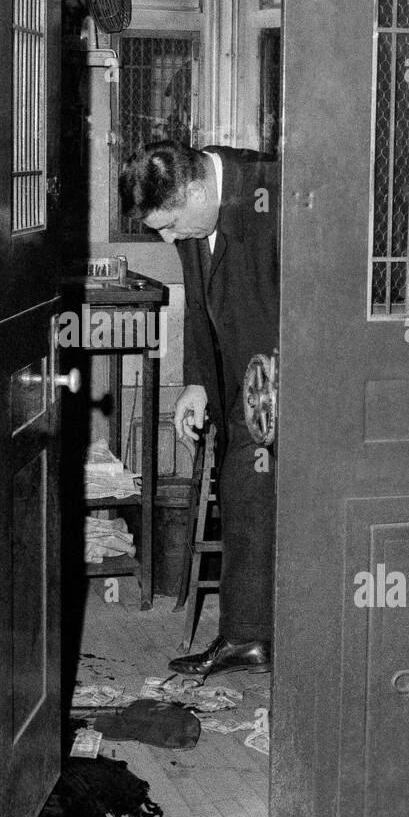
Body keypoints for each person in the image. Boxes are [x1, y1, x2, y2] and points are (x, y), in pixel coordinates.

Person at [118, 140, 279, 677]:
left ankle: (276, 639)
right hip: (241, 387)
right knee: (246, 497)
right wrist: (197, 383)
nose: (168, 239)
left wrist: (285, 378)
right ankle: (250, 637)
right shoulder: (195, 211)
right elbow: (199, 298)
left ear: (196, 190)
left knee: (281, 505)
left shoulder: (275, 192)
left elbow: (321, 299)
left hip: (287, 381)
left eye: (169, 225)